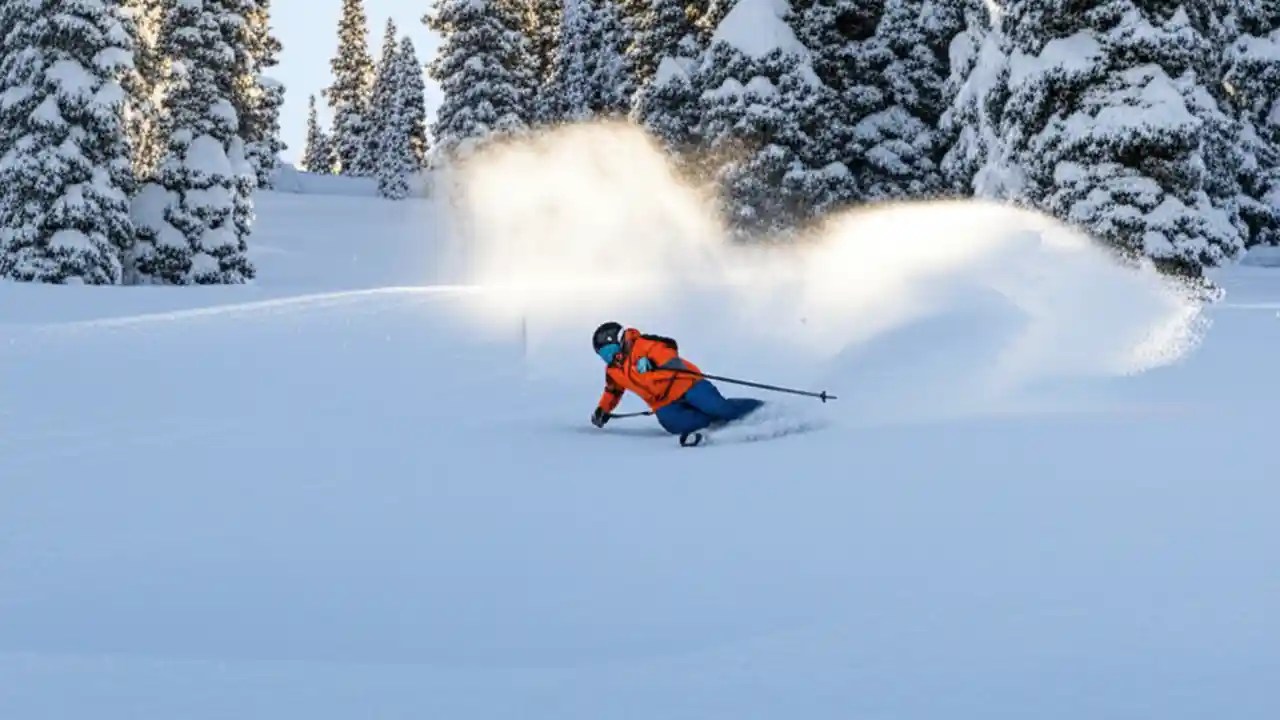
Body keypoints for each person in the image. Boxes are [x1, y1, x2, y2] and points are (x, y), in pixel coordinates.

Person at [590, 322, 763, 436]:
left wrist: (653, 364)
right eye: (602, 356)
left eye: (606, 352)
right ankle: (718, 426)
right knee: (677, 426)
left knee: (718, 407)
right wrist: (602, 410)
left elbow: (668, 349)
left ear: (615, 342)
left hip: (686, 383)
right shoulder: (613, 370)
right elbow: (613, 391)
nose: (606, 358)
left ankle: (762, 411)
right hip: (663, 402)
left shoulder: (641, 344)